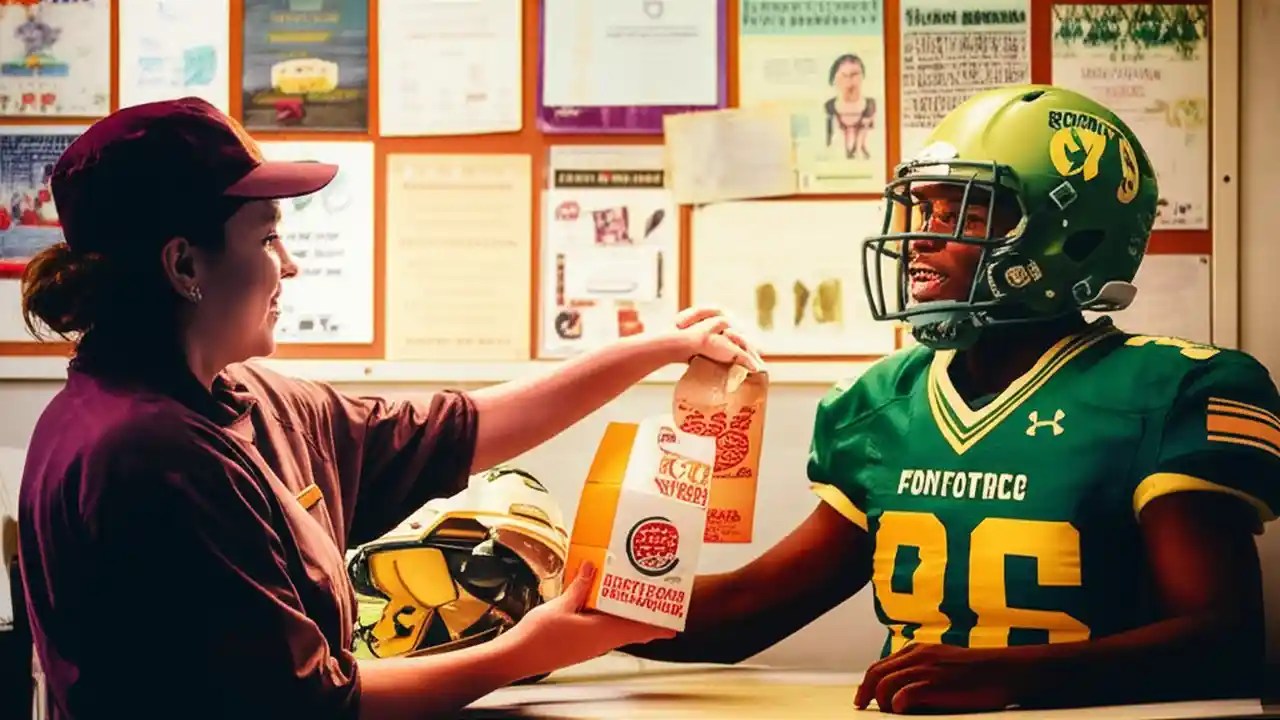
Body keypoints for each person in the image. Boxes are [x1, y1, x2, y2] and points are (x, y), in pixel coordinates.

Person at [14, 96, 762, 720]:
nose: (291, 264)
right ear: (184, 265)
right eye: (269, 238)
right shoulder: (144, 452)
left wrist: (653, 350)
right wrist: (531, 650)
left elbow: (460, 430)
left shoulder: (249, 400)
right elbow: (307, 705)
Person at [626, 84, 1280, 714]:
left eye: (964, 214)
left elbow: (1223, 642)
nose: (923, 238)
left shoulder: (1171, 391)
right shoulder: (883, 399)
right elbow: (750, 610)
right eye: (924, 210)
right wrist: (562, 605)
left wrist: (1011, 676)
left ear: (1068, 238)